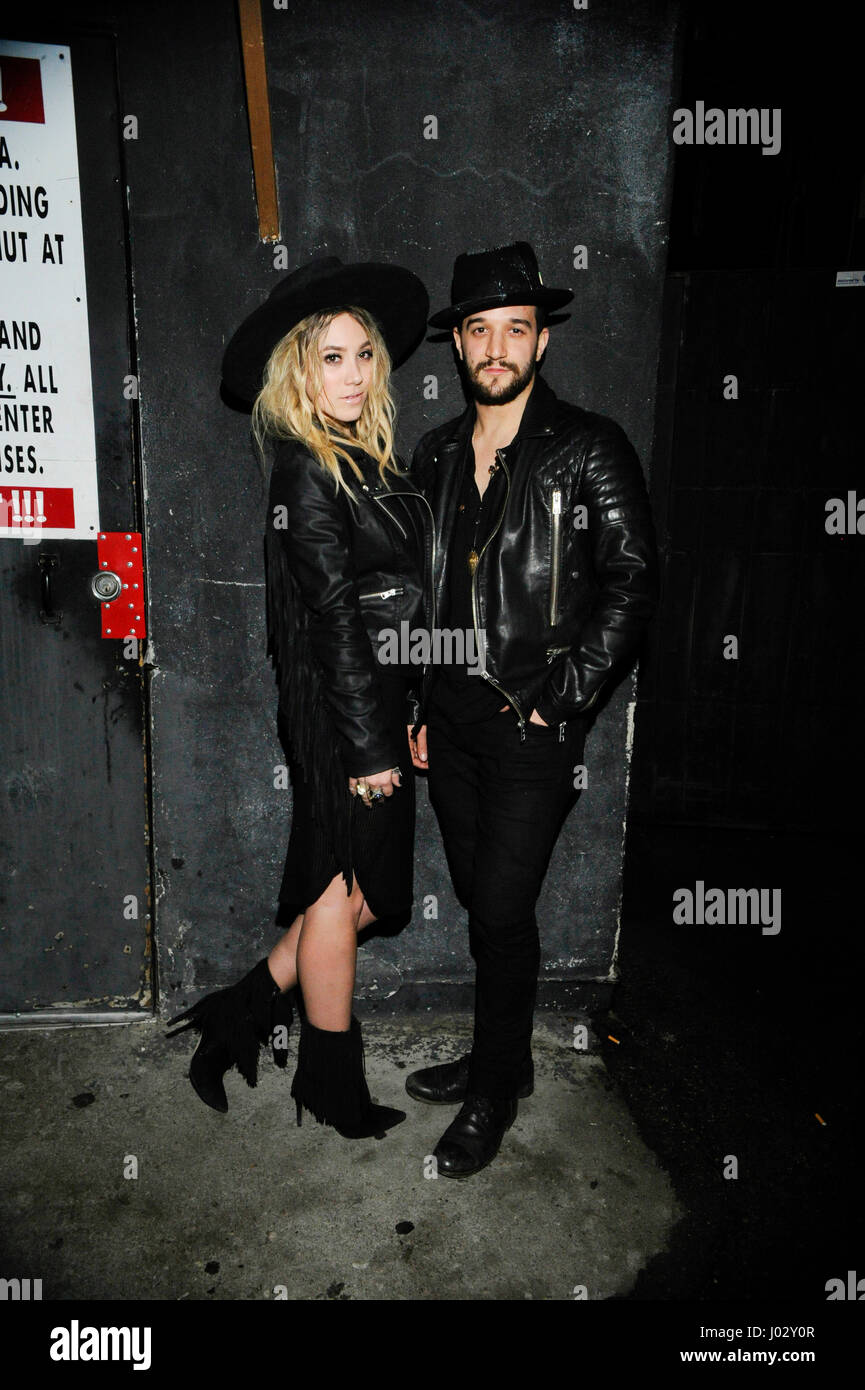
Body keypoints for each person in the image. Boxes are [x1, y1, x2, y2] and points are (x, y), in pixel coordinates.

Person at [404, 241, 659, 1176]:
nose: (498, 346)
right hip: (453, 722)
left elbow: (631, 584)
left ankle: (490, 1097)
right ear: (459, 346)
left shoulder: (587, 447)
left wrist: (562, 701)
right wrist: (416, 703)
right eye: (481, 329)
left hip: (532, 724)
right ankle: (502, 1056)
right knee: (483, 903)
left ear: (541, 342)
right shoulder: (432, 455)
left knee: (501, 908)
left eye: (518, 328)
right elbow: (418, 595)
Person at [168, 256, 431, 1139]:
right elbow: (332, 623)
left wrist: (412, 715)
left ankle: (234, 1016)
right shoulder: (308, 472)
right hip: (337, 710)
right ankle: (329, 1080)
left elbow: (402, 607)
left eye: (363, 354)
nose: (352, 373)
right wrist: (368, 749)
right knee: (334, 894)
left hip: (373, 703)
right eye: (330, 357)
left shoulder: (364, 459)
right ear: (297, 370)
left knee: (353, 899)